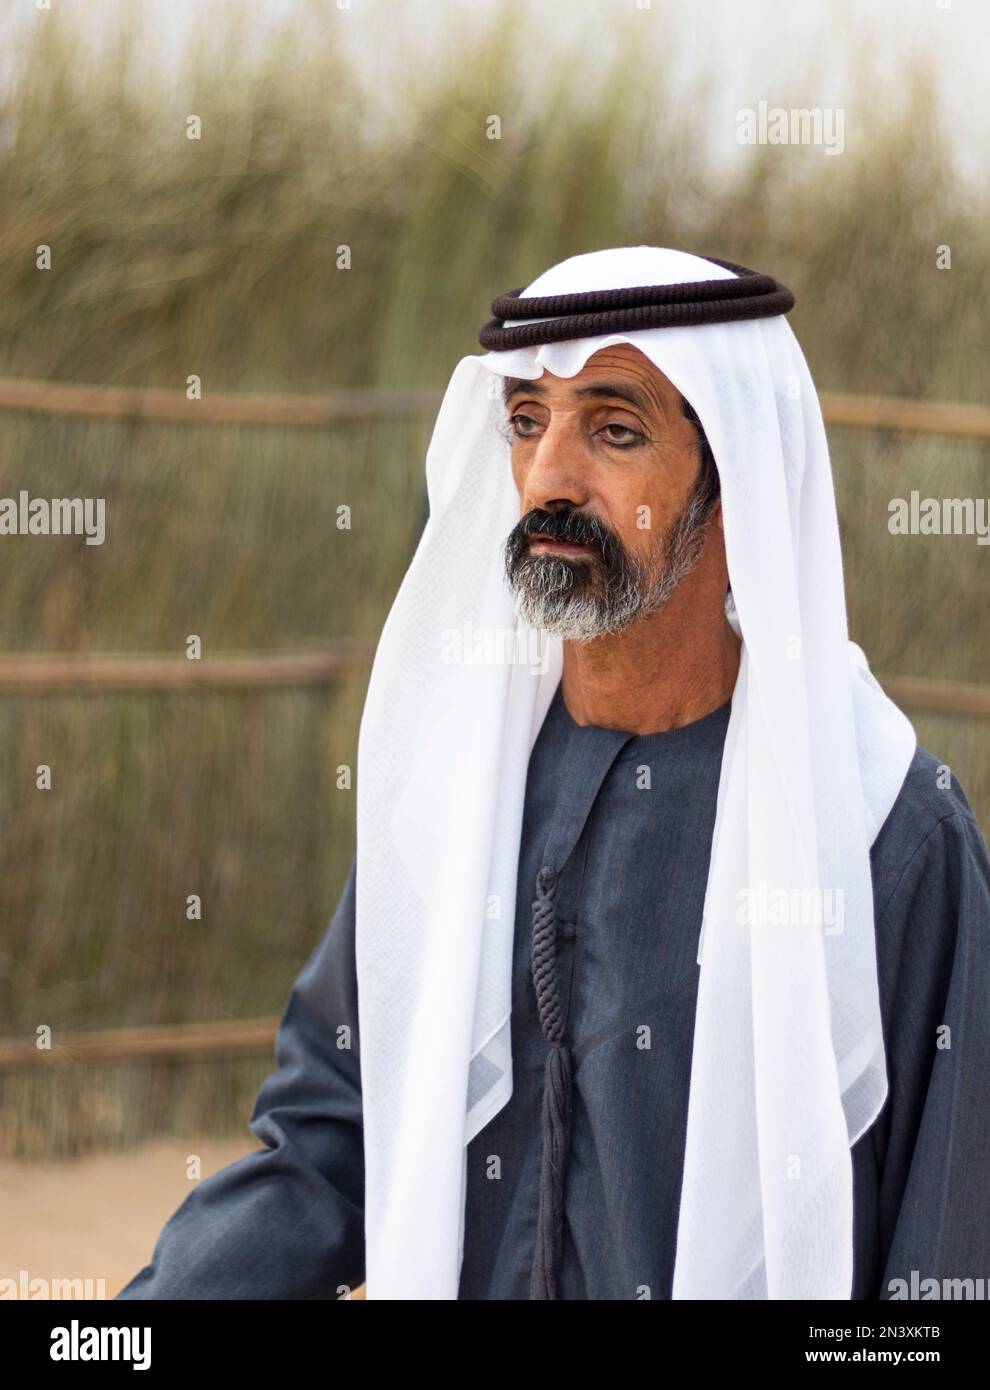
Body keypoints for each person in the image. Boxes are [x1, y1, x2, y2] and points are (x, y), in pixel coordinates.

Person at [117, 247, 990, 1301]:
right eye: (529, 421)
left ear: (735, 486)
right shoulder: (460, 790)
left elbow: (947, 1252)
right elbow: (325, 1145)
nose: (549, 479)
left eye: (614, 430)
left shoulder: (885, 832)